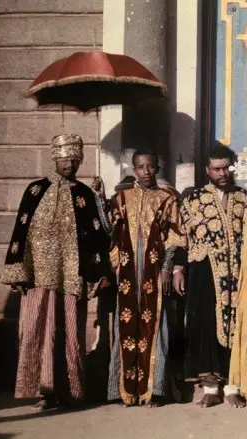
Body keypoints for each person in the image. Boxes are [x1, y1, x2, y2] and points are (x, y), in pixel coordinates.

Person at [0, 134, 110, 410]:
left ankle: (70, 392)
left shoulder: (85, 195)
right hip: (39, 277)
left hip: (72, 277)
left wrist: (101, 200)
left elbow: (100, 235)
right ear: (55, 158)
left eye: (75, 159)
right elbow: (20, 231)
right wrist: (17, 272)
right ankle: (45, 392)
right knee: (39, 331)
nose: (70, 164)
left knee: (69, 334)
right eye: (65, 159)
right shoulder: (35, 190)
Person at [175, 145, 247, 408]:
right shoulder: (193, 199)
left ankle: (232, 386)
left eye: (226, 168)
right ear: (207, 170)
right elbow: (180, 236)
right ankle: (211, 387)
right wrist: (178, 268)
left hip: (238, 274)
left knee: (236, 325)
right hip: (205, 272)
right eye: (217, 169)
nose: (223, 173)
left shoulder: (245, 199)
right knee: (206, 326)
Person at [107, 150, 185, 407]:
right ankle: (125, 391)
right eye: (141, 167)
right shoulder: (121, 199)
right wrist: (118, 267)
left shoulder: (167, 199)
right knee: (125, 326)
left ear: (158, 167)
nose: (146, 171)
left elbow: (174, 236)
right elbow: (112, 235)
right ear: (134, 169)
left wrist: (166, 269)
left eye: (151, 166)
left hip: (153, 271)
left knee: (155, 327)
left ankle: (155, 390)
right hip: (128, 272)